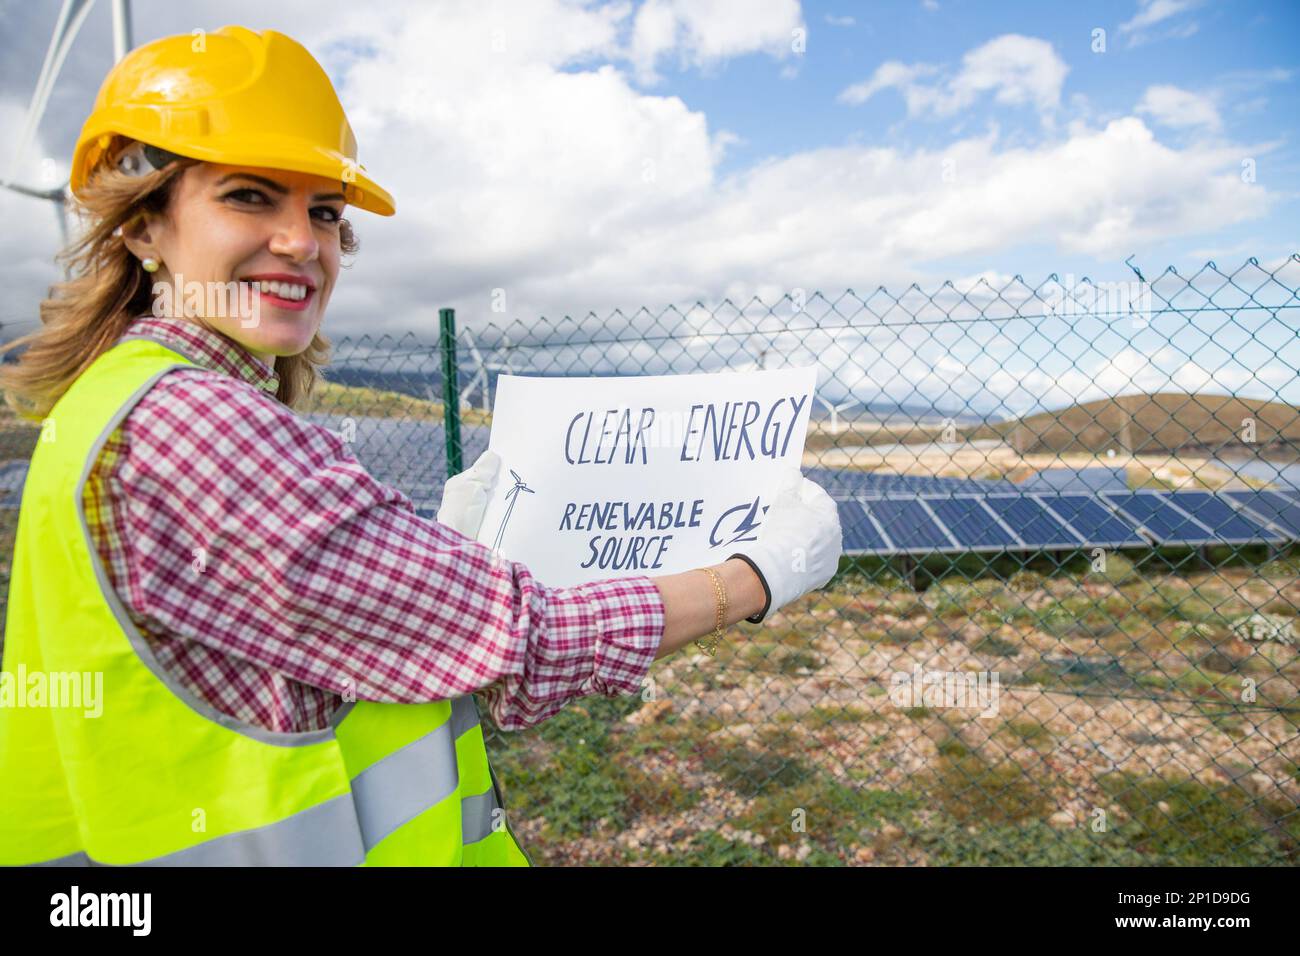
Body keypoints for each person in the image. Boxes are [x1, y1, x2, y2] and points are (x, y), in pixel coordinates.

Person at [0, 26, 842, 867]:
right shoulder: (199, 427)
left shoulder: (114, 398)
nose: (302, 241)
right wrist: (752, 578)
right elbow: (527, 644)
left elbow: (305, 628)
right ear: (145, 228)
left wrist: (432, 562)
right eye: (250, 196)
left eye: (323, 212)